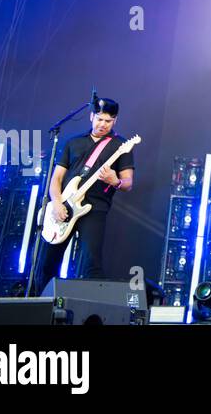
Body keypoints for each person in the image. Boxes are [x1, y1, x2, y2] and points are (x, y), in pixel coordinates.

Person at [33, 98, 135, 293]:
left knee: (91, 263)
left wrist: (115, 181)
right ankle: (42, 305)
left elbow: (128, 183)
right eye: (99, 119)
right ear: (91, 116)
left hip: (95, 209)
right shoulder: (73, 142)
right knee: (46, 263)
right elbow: (56, 179)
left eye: (108, 121)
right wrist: (56, 203)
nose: (102, 124)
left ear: (115, 121)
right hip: (63, 207)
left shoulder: (121, 145)